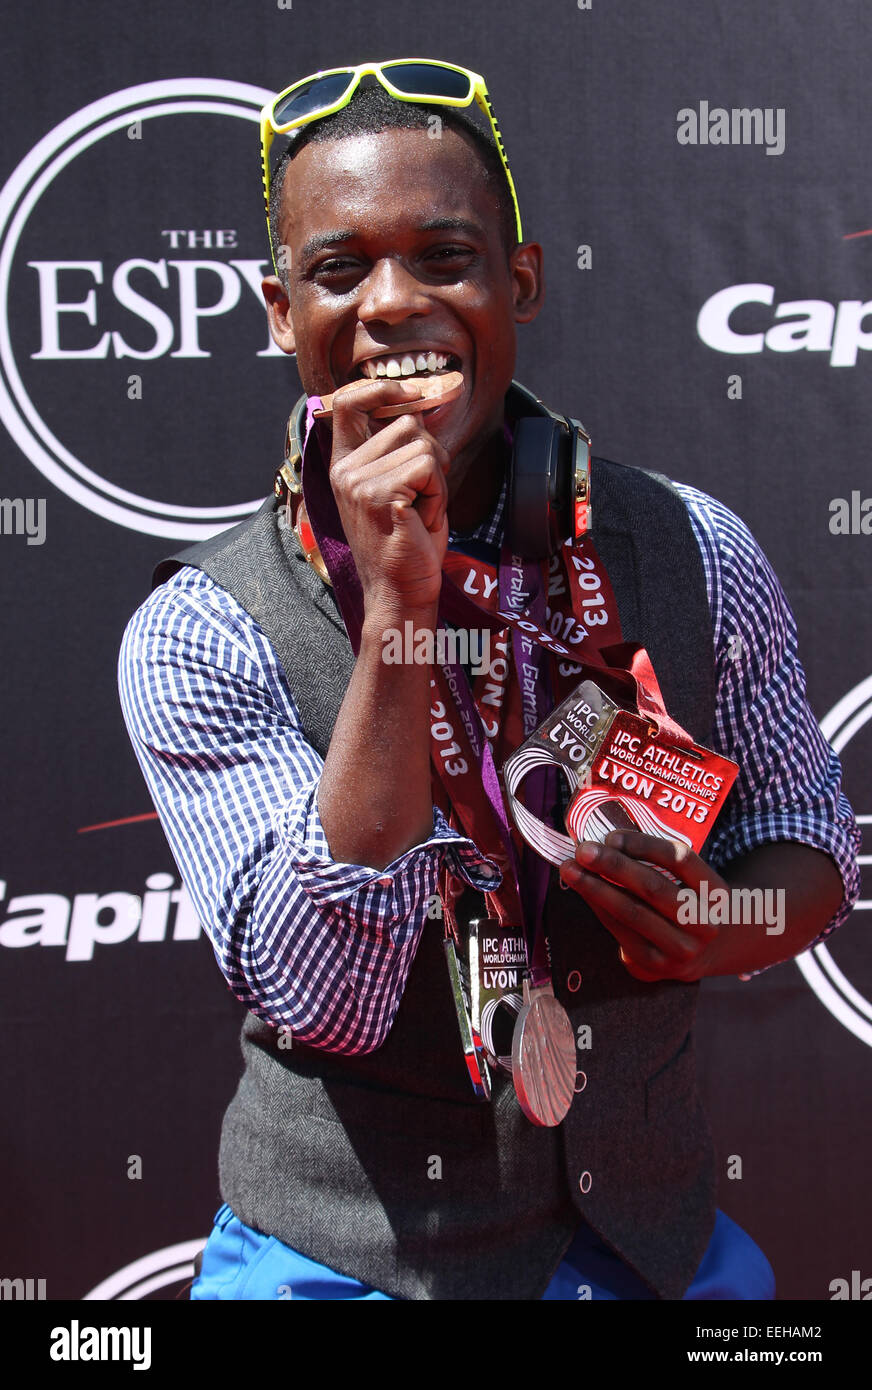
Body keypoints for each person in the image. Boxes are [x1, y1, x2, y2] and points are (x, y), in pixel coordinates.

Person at [118, 60, 860, 1301]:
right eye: (339, 270)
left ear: (516, 278)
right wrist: (397, 614)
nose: (392, 305)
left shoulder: (691, 546)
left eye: (443, 258)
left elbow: (806, 845)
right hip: (342, 1265)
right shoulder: (201, 628)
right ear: (276, 310)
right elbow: (324, 994)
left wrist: (710, 927)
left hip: (650, 1248)